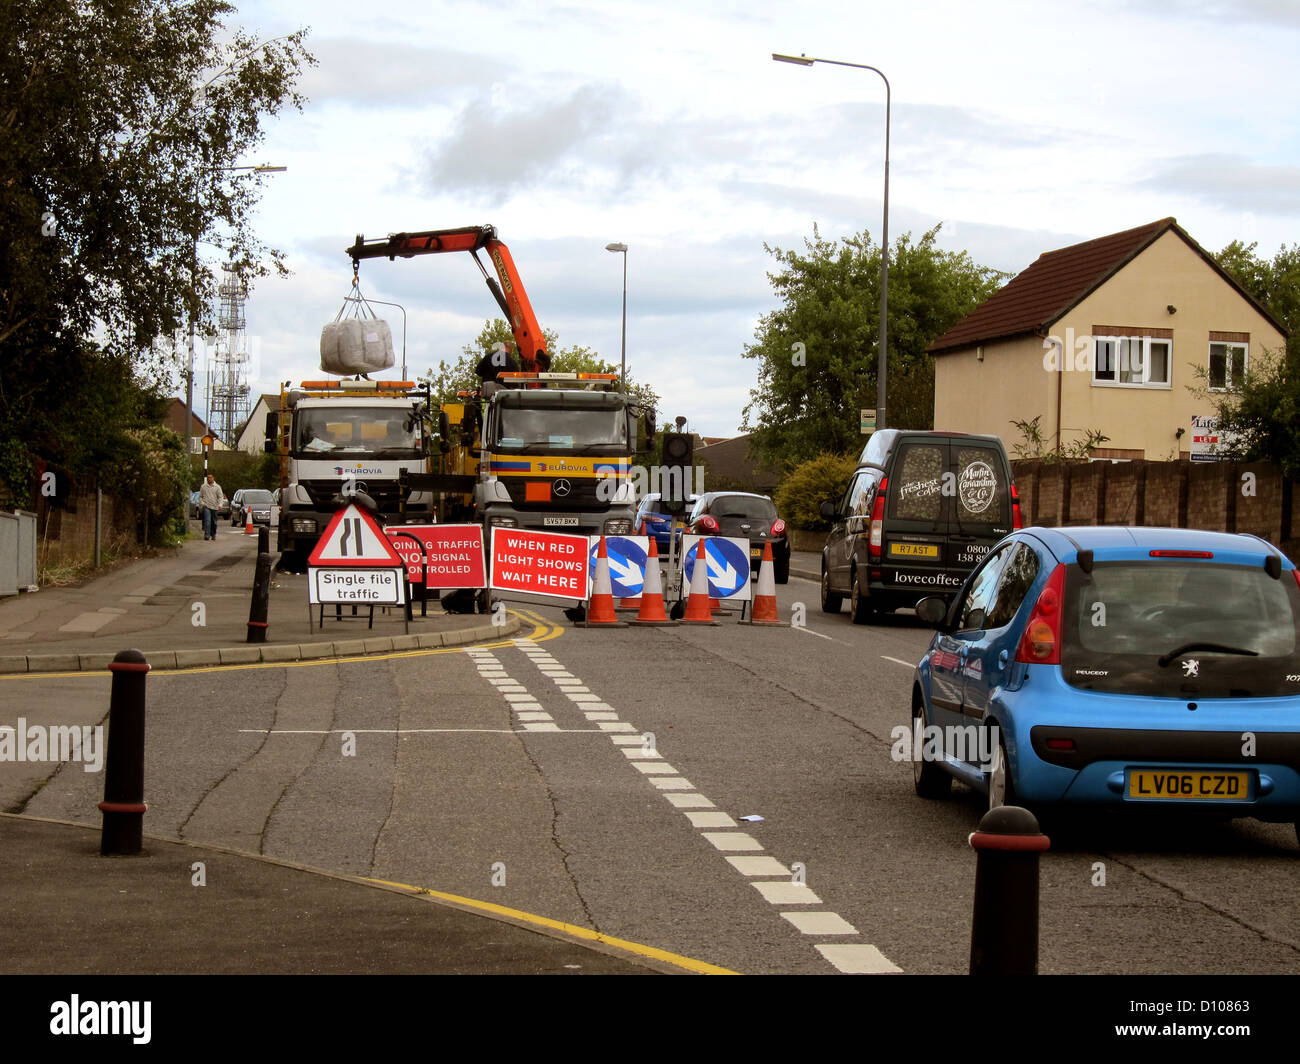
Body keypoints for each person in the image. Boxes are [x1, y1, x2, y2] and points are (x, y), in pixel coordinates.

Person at [198, 473, 224, 540]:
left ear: (213, 478)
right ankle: (207, 535)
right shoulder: (203, 487)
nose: (209, 479)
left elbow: (220, 497)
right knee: (207, 520)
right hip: (206, 506)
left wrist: (220, 504)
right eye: (208, 478)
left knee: (214, 522)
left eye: (210, 478)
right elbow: (200, 496)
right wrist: (202, 503)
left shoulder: (217, 487)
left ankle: (213, 534)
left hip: (215, 507)